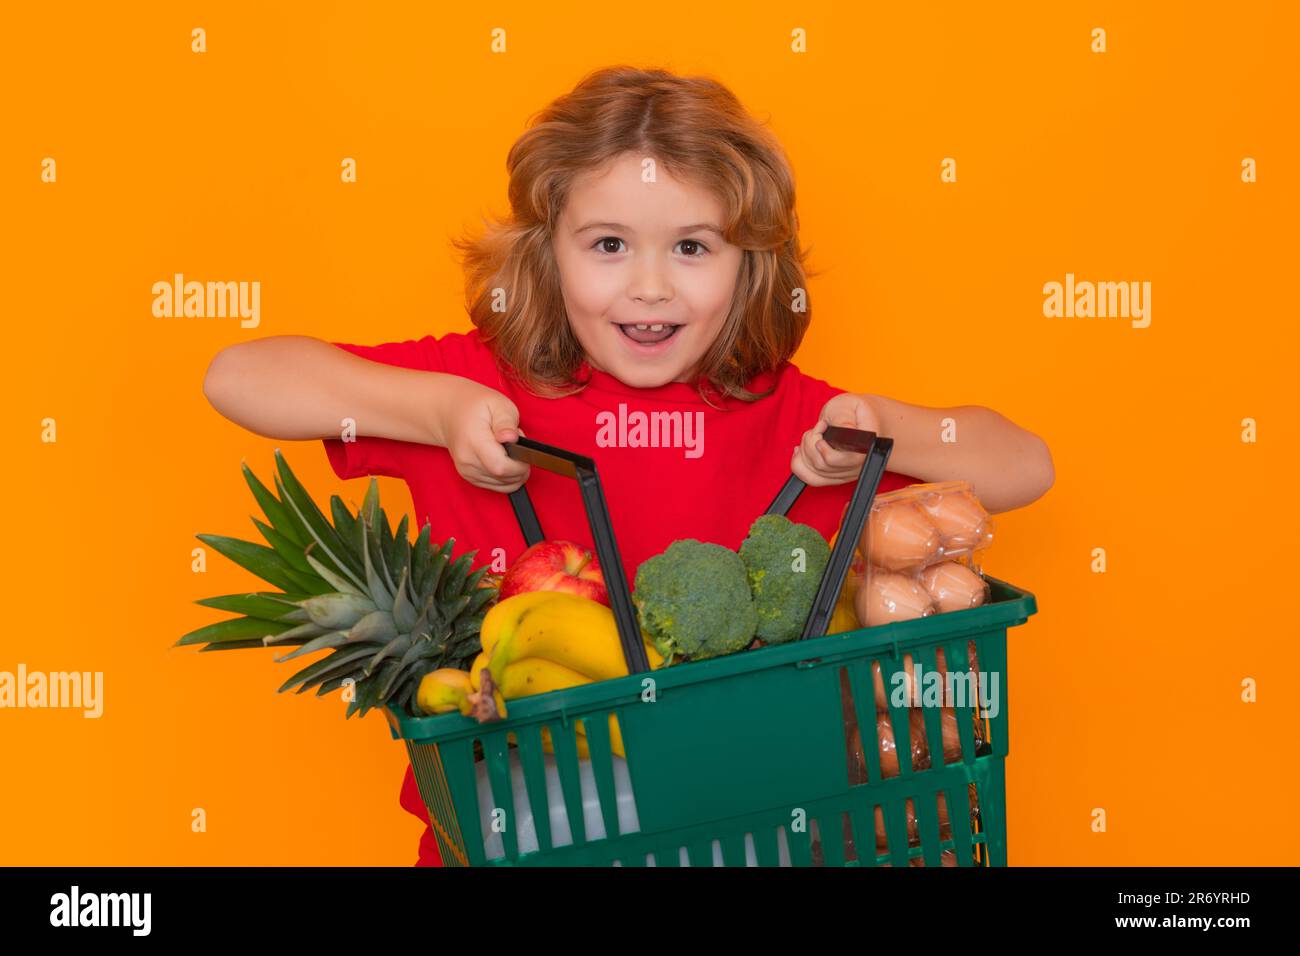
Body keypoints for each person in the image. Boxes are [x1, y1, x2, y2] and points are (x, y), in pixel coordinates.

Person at [203, 65, 1054, 866]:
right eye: (608, 245)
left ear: (750, 269)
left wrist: (883, 429)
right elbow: (239, 377)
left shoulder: (784, 413)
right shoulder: (479, 387)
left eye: (692, 249)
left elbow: (1025, 465)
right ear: (547, 254)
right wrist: (436, 413)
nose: (649, 288)